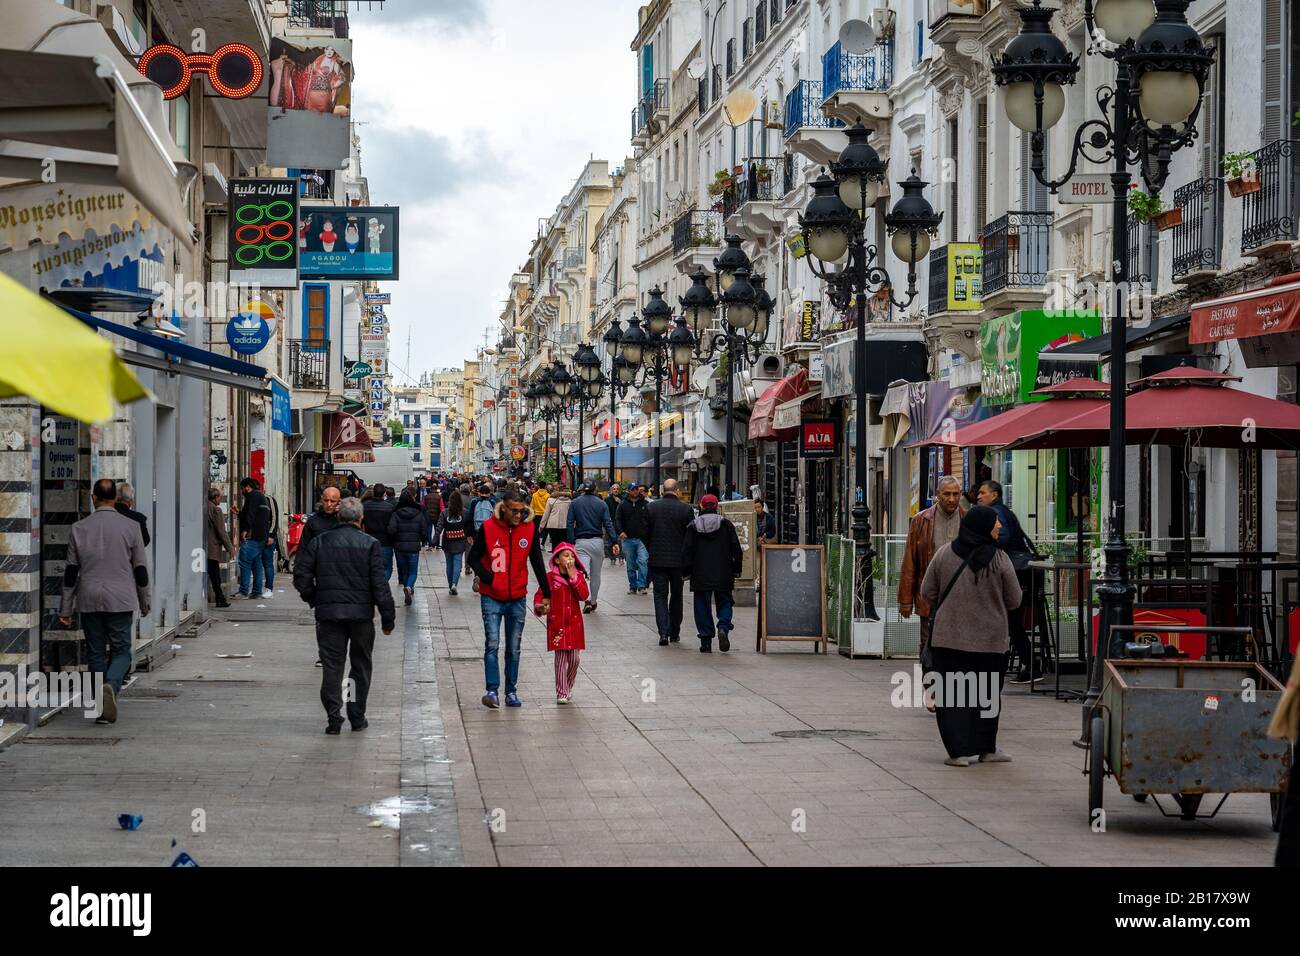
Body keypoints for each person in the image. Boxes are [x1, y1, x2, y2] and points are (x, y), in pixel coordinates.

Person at [919, 506, 1022, 767]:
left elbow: (927, 591)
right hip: (990, 642)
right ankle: (987, 748)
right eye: (995, 523)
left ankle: (958, 752)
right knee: (986, 696)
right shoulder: (1000, 559)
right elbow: (1015, 599)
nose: (999, 526)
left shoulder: (944, 553)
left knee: (953, 697)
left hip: (948, 640)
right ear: (983, 527)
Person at [293, 497, 396, 735]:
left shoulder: (320, 542)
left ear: (338, 518)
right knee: (359, 667)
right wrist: (388, 619)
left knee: (332, 667)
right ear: (361, 519)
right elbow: (380, 585)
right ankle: (356, 714)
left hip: (329, 615)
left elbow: (301, 575)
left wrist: (314, 598)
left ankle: (334, 716)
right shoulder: (370, 544)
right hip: (360, 617)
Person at [58, 479, 150, 725]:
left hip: (88, 597)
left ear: (94, 498)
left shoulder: (79, 528)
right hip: (120, 598)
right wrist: (145, 601)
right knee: (122, 651)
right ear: (116, 498)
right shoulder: (131, 527)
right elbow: (140, 569)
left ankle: (100, 706)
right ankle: (111, 685)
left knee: (95, 652)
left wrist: (65, 607)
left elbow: (70, 572)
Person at [467, 489, 551, 709]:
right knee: (492, 644)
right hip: (492, 596)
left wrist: (547, 593)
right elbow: (473, 557)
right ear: (503, 507)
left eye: (521, 511)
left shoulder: (529, 528)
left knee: (514, 647)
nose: (517, 515)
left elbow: (537, 561)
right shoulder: (488, 528)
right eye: (513, 511)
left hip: (517, 597)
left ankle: (511, 691)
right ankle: (492, 691)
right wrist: (489, 578)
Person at [977, 480, 1040, 684]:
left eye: (982, 493)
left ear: (994, 495)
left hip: (1011, 574)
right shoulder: (1002, 511)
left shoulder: (997, 513)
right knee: (1011, 621)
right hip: (1018, 573)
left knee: (1009, 620)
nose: (979, 496)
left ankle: (1031, 665)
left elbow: (1001, 539)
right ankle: (1030, 664)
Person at [898, 476, 967, 656]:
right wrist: (905, 601)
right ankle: (930, 681)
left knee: (958, 646)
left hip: (961, 596)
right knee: (928, 644)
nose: (951, 499)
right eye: (947, 494)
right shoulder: (922, 520)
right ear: (938, 494)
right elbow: (910, 562)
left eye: (955, 494)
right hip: (930, 594)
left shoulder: (967, 520)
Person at [682, 494, 743, 654]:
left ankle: (706, 640)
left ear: (701, 506)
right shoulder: (726, 525)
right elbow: (736, 548)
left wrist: (686, 571)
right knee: (725, 601)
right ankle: (723, 625)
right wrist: (736, 569)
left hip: (700, 572)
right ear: (717, 506)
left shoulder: (693, 526)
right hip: (723, 571)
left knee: (702, 605)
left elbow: (687, 551)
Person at [533, 542, 589, 705]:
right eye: (566, 556)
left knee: (574, 659)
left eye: (572, 556)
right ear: (557, 560)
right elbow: (540, 595)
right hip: (557, 624)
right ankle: (561, 691)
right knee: (560, 660)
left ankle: (568, 685)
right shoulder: (550, 578)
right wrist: (540, 606)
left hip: (574, 623)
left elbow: (584, 596)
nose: (569, 559)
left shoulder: (577, 576)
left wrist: (574, 578)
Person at [644, 478, 695, 646]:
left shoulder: (652, 507)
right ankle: (674, 632)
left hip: (657, 559)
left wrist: (652, 548)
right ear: (677, 490)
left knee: (659, 596)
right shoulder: (686, 509)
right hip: (678, 562)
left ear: (663, 490)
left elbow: (646, 533)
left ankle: (663, 633)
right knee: (676, 595)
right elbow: (690, 537)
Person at [567, 482, 618, 613]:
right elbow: (608, 523)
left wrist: (571, 541)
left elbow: (570, 523)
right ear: (595, 489)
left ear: (583, 489)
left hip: (581, 541)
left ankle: (587, 599)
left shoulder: (575, 503)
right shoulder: (602, 504)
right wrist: (614, 540)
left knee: (584, 573)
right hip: (597, 541)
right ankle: (593, 600)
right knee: (596, 575)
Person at [236, 477, 273, 599]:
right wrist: (239, 513)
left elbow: (250, 514)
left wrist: (245, 529)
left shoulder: (252, 496)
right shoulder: (261, 497)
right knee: (256, 563)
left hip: (253, 535)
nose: (242, 491)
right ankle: (257, 591)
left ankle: (243, 591)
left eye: (242, 488)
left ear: (248, 487)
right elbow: (255, 515)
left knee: (245, 561)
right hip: (261, 536)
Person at [388, 489, 425, 606]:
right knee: (413, 571)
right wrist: (423, 540)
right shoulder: (418, 513)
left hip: (399, 547)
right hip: (414, 547)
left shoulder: (395, 513)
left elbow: (391, 530)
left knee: (404, 570)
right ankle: (409, 587)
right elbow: (423, 530)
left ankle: (406, 587)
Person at [616, 483, 651, 595]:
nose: (635, 491)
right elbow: (617, 520)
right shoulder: (622, 505)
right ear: (628, 491)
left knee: (642, 561)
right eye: (633, 489)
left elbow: (651, 520)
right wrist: (620, 532)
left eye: (636, 489)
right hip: (627, 539)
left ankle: (642, 585)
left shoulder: (646, 504)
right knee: (630, 564)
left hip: (642, 540)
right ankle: (633, 586)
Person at [206, 485, 235, 608]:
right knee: (215, 575)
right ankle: (220, 599)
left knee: (211, 574)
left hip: (203, 547)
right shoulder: (216, 510)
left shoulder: (204, 507)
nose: (220, 500)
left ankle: (219, 598)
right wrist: (230, 548)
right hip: (212, 547)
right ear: (216, 497)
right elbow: (221, 532)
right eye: (220, 498)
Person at [435, 490, 469, 595]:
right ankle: (454, 584)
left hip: (447, 541)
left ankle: (450, 585)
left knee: (449, 564)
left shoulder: (444, 512)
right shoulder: (464, 512)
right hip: (460, 540)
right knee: (457, 564)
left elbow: (439, 526)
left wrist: (435, 538)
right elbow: (467, 527)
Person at [361, 483, 397, 581]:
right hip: (385, 541)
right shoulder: (389, 507)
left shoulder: (364, 506)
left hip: (368, 540)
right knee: (386, 567)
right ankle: (381, 585)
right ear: (384, 493)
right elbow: (392, 527)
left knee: (369, 567)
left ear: (373, 492)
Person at [297, 485, 342, 558]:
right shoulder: (313, 520)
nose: (329, 504)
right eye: (326, 500)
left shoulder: (344, 520)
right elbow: (303, 547)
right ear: (321, 500)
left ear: (339, 502)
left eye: (333, 501)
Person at [115, 482, 150, 548]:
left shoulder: (104, 516)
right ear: (131, 501)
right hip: (130, 557)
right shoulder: (139, 518)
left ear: (114, 499)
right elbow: (145, 541)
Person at [540, 484, 572, 552]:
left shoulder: (551, 500)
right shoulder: (570, 501)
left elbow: (546, 514)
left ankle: (555, 559)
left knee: (554, 543)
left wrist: (541, 526)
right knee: (564, 544)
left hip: (553, 525)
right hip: (565, 525)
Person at [263, 491, 281, 591]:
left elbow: (274, 518)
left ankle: (269, 588)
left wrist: (271, 535)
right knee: (257, 564)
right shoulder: (251, 499)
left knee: (268, 563)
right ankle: (256, 590)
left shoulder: (269, 500)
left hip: (268, 537)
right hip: (257, 538)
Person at [604, 483, 624, 563]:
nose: (615, 490)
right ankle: (612, 558)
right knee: (610, 541)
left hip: (620, 523)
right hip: (610, 523)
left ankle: (621, 558)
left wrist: (620, 502)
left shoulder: (623, 499)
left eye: (617, 489)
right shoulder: (607, 500)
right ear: (611, 490)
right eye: (614, 489)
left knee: (620, 542)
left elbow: (625, 510)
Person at [422, 485, 442, 551]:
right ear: (436, 490)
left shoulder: (426, 497)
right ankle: (437, 544)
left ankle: (430, 544)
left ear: (430, 490)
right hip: (437, 516)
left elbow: (423, 506)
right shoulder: (439, 497)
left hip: (428, 516)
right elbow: (442, 507)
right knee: (437, 531)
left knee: (429, 531)